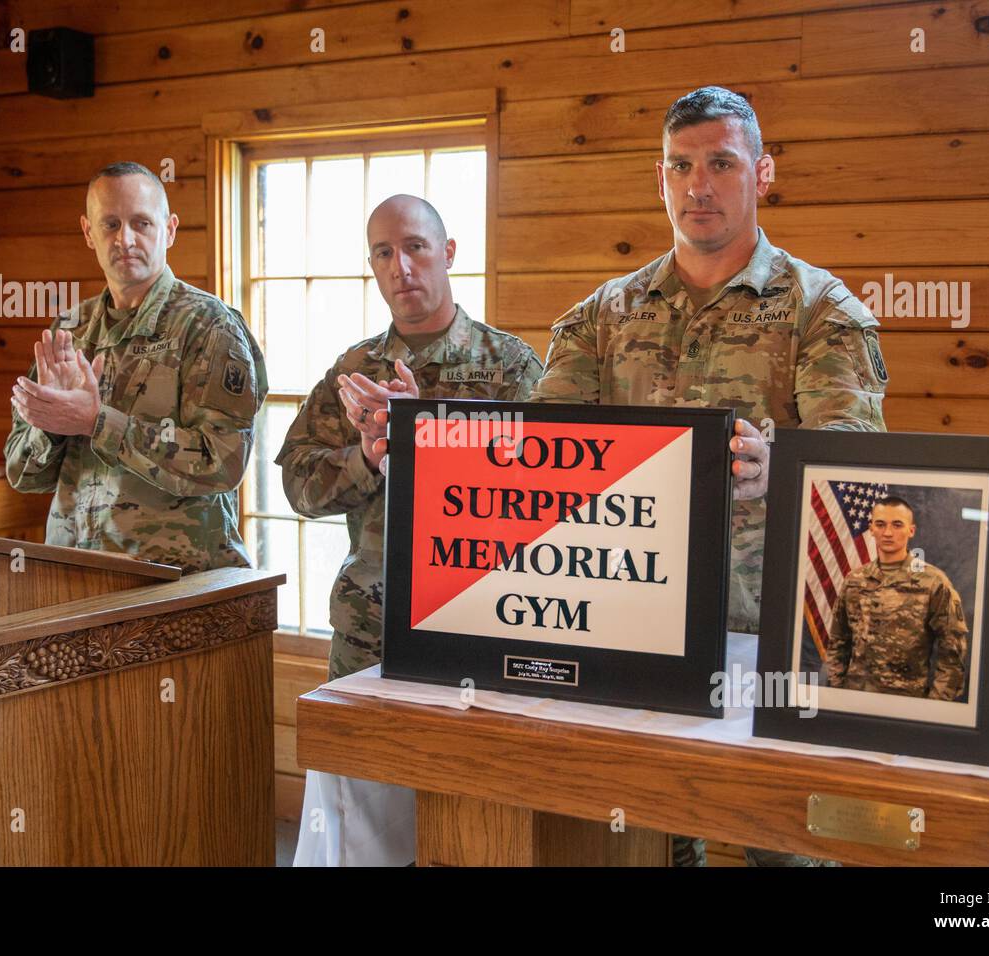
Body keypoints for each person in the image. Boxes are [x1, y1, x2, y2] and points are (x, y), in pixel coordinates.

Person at [342, 87, 887, 867]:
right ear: (659, 178)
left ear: (761, 173)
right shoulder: (607, 313)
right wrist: (420, 429)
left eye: (721, 164)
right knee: (650, 834)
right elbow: (536, 452)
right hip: (636, 618)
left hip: (771, 630)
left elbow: (857, 457)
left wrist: (782, 465)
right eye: (681, 166)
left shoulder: (820, 308)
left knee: (787, 842)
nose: (699, 185)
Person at [277, 194, 542, 681]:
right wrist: (366, 456)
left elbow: (548, 492)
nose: (400, 267)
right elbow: (299, 488)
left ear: (449, 252)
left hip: (482, 622)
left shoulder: (510, 365)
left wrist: (433, 440)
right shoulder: (354, 371)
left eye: (415, 247)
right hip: (370, 629)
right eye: (383, 253)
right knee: (354, 759)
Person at [5, 162, 266, 572]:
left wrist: (97, 422)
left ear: (170, 229)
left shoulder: (208, 326)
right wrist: (52, 426)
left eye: (141, 223)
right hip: (72, 573)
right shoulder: (68, 331)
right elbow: (22, 476)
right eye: (110, 224)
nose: (125, 239)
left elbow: (223, 463)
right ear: (89, 233)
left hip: (176, 584)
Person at [825, 496, 969, 700]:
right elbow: (838, 643)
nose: (888, 533)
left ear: (911, 530)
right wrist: (836, 694)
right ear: (871, 528)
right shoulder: (854, 581)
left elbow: (953, 653)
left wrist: (935, 706)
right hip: (855, 699)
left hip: (907, 703)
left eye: (897, 525)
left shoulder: (933, 582)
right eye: (880, 524)